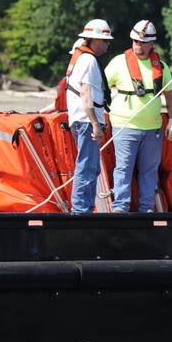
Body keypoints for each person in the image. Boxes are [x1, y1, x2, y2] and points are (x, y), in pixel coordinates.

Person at [104, 19, 172, 213]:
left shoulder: (161, 66)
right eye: (136, 41)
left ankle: (146, 209)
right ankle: (120, 207)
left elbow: (170, 95)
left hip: (152, 129)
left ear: (152, 43)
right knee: (123, 169)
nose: (139, 45)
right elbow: (101, 86)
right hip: (124, 126)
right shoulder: (118, 62)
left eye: (143, 42)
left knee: (149, 172)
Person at [64, 19, 114, 213]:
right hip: (86, 121)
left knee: (88, 165)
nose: (109, 44)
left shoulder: (80, 58)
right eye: (106, 40)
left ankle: (82, 209)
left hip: (79, 119)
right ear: (94, 40)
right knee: (87, 166)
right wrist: (95, 124)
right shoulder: (89, 60)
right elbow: (86, 95)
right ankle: (81, 211)